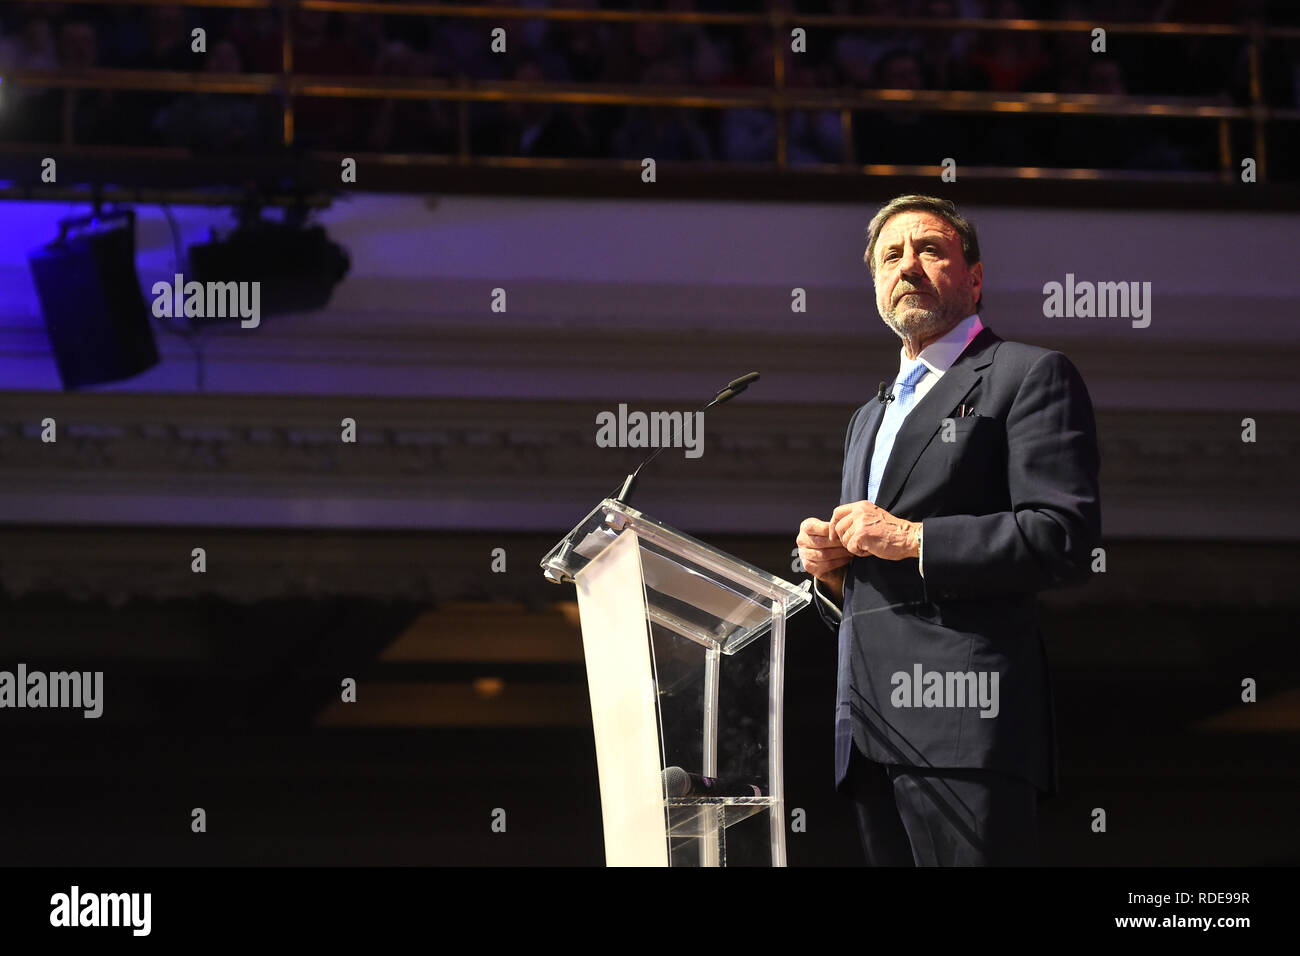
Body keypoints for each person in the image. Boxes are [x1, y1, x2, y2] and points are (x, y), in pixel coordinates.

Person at [796, 195, 1101, 866]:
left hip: (966, 721)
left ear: (976, 278)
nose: (908, 266)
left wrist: (911, 538)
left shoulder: (1027, 375)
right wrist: (835, 572)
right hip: (869, 728)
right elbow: (875, 572)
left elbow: (1062, 537)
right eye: (890, 256)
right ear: (875, 283)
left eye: (931, 250)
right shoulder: (865, 418)